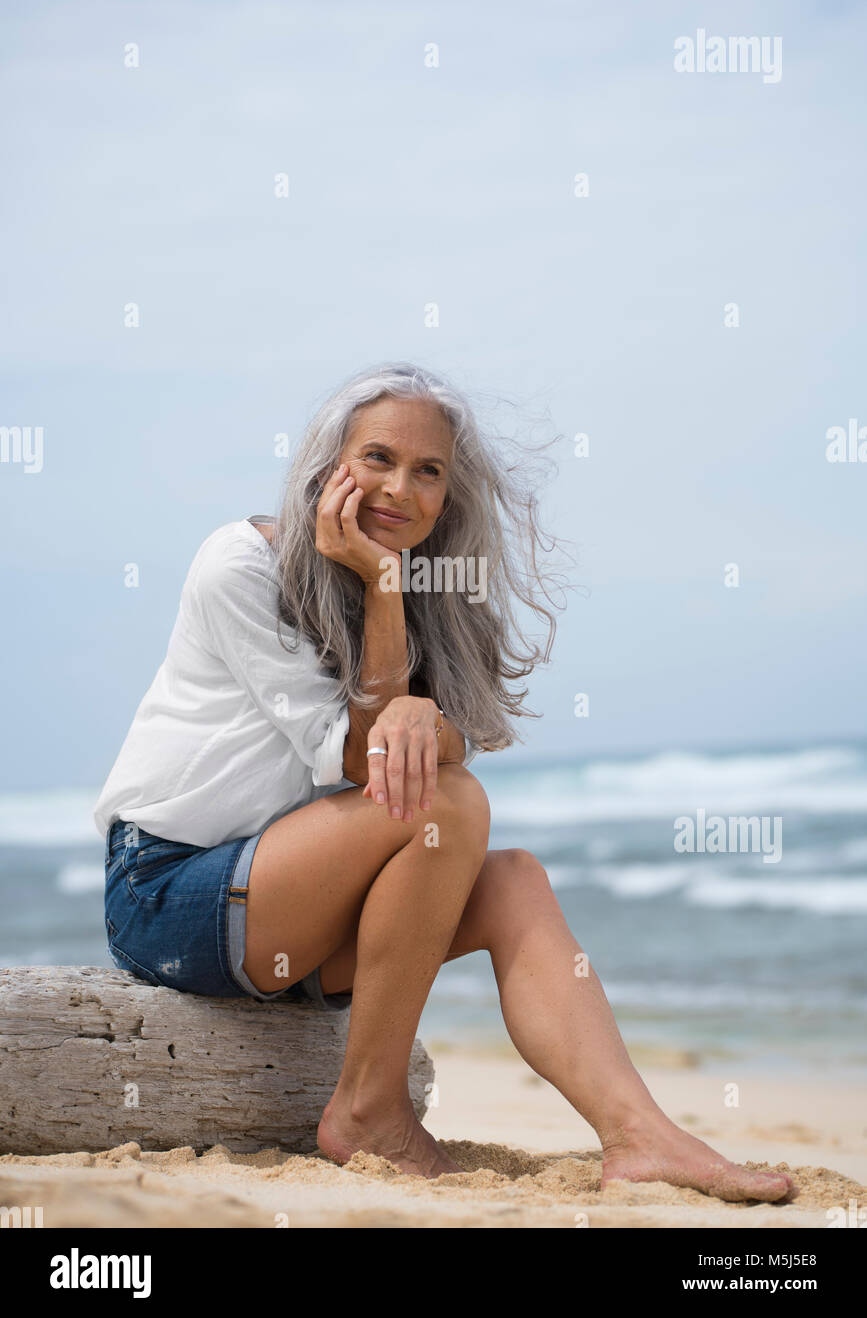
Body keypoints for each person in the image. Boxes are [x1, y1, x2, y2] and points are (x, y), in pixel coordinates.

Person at [94, 361, 794, 1199]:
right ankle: (367, 1110)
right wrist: (384, 594)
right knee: (440, 801)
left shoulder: (434, 584)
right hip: (168, 889)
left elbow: (449, 736)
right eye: (379, 458)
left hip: (291, 906)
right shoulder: (240, 566)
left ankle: (637, 1136)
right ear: (328, 464)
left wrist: (423, 706)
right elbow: (368, 764)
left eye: (429, 471)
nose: (401, 488)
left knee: (515, 883)